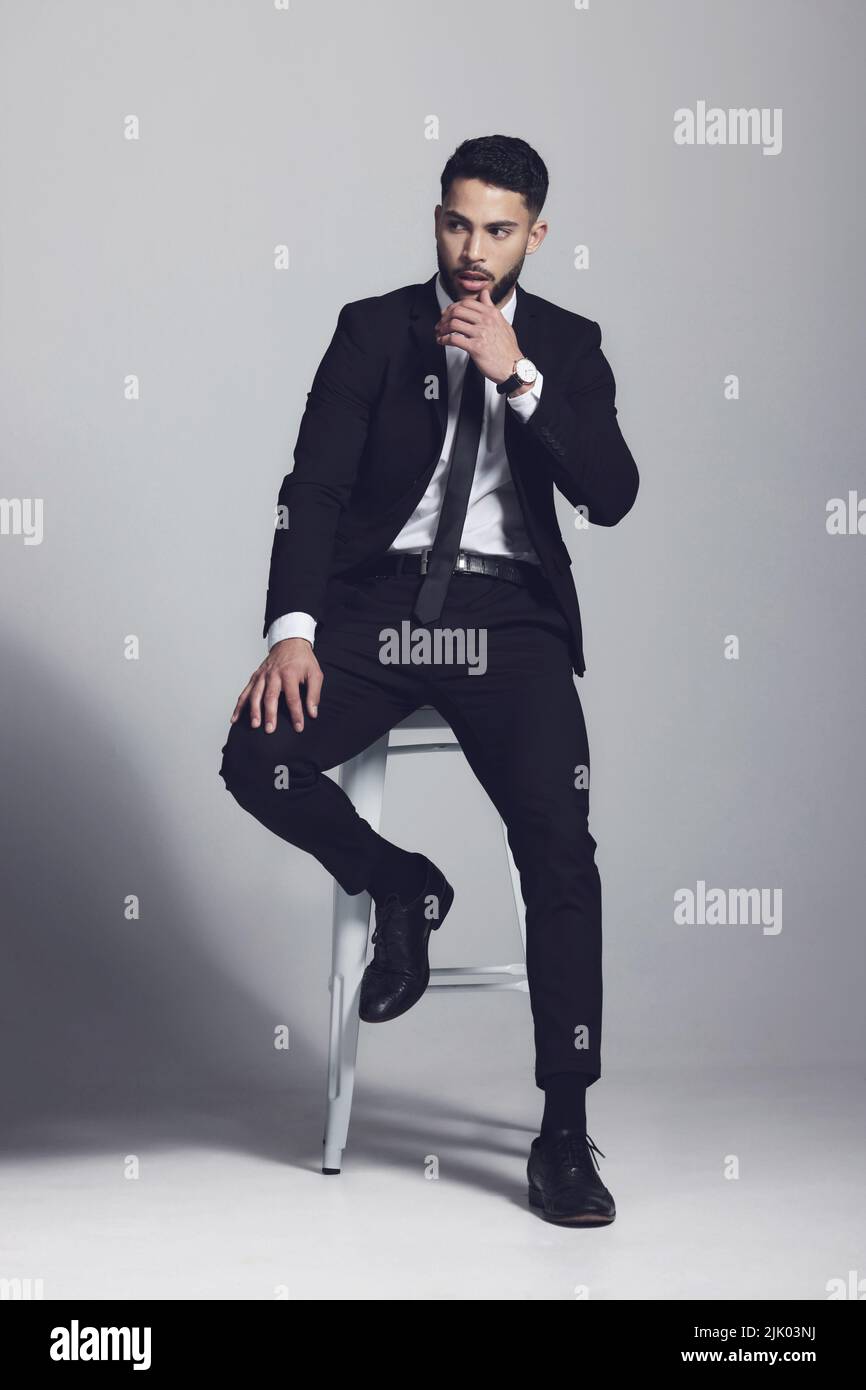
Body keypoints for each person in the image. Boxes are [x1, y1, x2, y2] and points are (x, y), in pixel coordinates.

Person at [218, 134, 638, 1226]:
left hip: (508, 623)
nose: (471, 248)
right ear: (436, 219)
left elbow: (612, 490)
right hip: (383, 613)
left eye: (497, 230)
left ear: (533, 236)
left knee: (559, 846)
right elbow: (309, 487)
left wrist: (519, 375)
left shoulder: (567, 344)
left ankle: (561, 1130)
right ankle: (400, 883)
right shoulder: (371, 331)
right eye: (455, 223)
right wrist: (295, 630)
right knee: (254, 755)